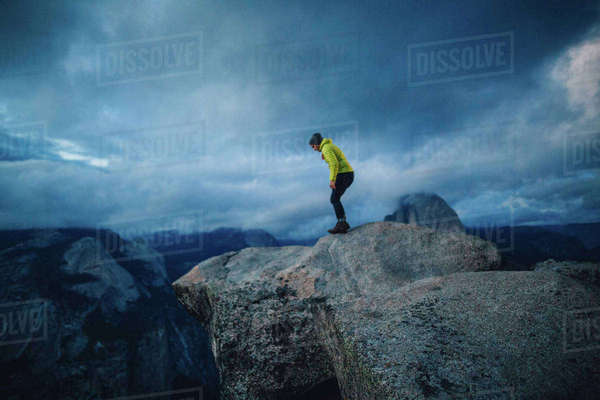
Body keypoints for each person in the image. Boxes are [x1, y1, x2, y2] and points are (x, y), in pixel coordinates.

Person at [309, 132, 354, 234]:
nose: (314, 149)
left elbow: (334, 164)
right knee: (335, 198)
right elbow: (333, 163)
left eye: (313, 146)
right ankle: (342, 222)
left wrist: (332, 180)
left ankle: (342, 223)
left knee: (334, 198)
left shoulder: (326, 148)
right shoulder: (327, 147)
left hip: (344, 174)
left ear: (316, 143)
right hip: (347, 174)